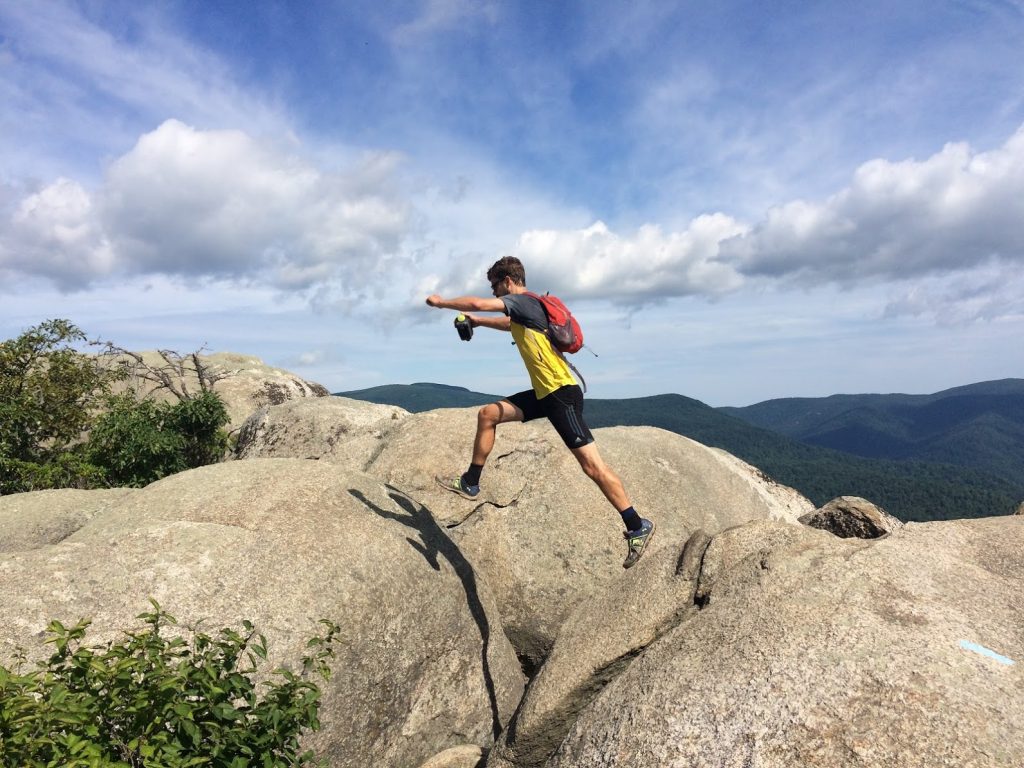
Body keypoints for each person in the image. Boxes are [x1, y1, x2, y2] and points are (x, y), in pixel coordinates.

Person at [425, 255, 655, 569]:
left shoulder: (521, 301)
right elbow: (507, 324)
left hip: (560, 395)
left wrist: (442, 303)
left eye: (495, 285)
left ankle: (636, 524)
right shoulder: (526, 310)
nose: (494, 293)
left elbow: (479, 304)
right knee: (488, 415)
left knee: (592, 466)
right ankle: (471, 481)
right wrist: (476, 323)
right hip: (544, 394)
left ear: (507, 281)